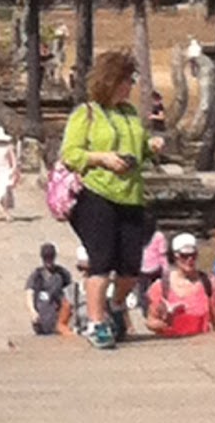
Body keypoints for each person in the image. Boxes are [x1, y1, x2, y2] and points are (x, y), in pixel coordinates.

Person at [59, 48, 157, 350]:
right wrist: (102, 158)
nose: (130, 85)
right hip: (96, 194)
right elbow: (70, 154)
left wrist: (151, 147)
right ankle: (96, 322)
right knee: (101, 261)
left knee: (130, 265)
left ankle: (116, 303)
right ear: (111, 81)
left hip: (130, 195)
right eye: (126, 80)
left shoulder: (129, 114)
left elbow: (140, 151)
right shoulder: (85, 114)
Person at [145, 232, 215, 337]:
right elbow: (150, 321)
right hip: (172, 347)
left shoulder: (209, 283)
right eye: (184, 256)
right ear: (175, 256)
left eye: (193, 255)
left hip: (203, 346)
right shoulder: (161, 286)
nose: (189, 260)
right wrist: (166, 324)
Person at [26, 242, 71, 336]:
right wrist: (32, 312)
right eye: (46, 257)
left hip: (58, 317)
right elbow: (29, 293)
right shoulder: (37, 275)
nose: (48, 261)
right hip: (41, 317)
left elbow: (70, 294)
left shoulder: (62, 274)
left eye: (51, 257)